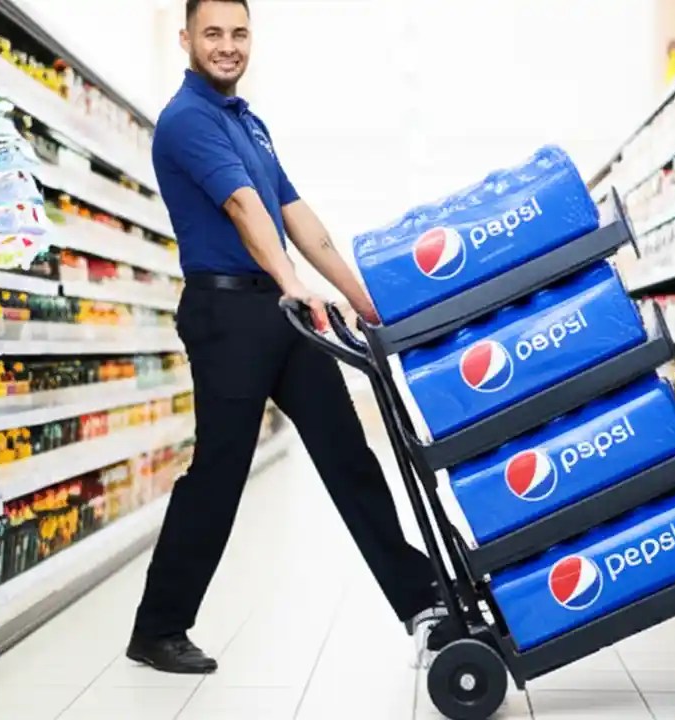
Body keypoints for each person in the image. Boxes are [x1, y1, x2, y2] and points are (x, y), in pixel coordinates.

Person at [126, 0, 444, 674]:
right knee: (219, 473)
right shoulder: (187, 121)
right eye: (213, 34)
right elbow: (242, 208)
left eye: (239, 33)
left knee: (348, 454)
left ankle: (424, 605)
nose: (228, 46)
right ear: (185, 39)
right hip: (228, 315)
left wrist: (365, 300)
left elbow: (301, 220)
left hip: (280, 310)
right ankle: (157, 629)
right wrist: (290, 280)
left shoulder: (250, 123)